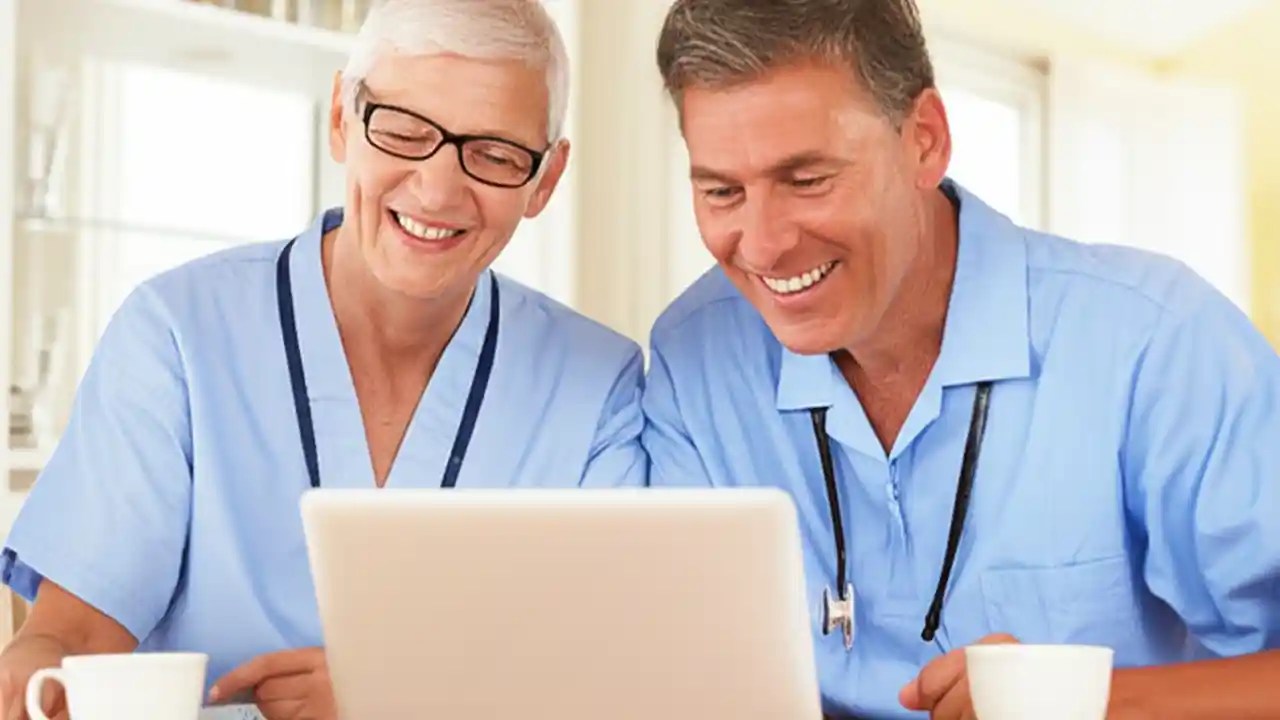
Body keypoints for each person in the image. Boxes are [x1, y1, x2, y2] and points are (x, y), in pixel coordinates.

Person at [0, 0, 647, 717]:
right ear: (342, 116)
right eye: (402, 130)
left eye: (494, 154)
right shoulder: (177, 335)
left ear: (546, 179)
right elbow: (76, 634)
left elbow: (609, 674)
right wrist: (36, 663)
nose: (435, 188)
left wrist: (400, 696)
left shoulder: (597, 389)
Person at [642, 0, 1280, 717]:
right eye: (722, 191)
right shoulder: (691, 360)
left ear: (925, 139)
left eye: (807, 180)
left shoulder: (1157, 340)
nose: (761, 246)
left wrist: (1085, 702)